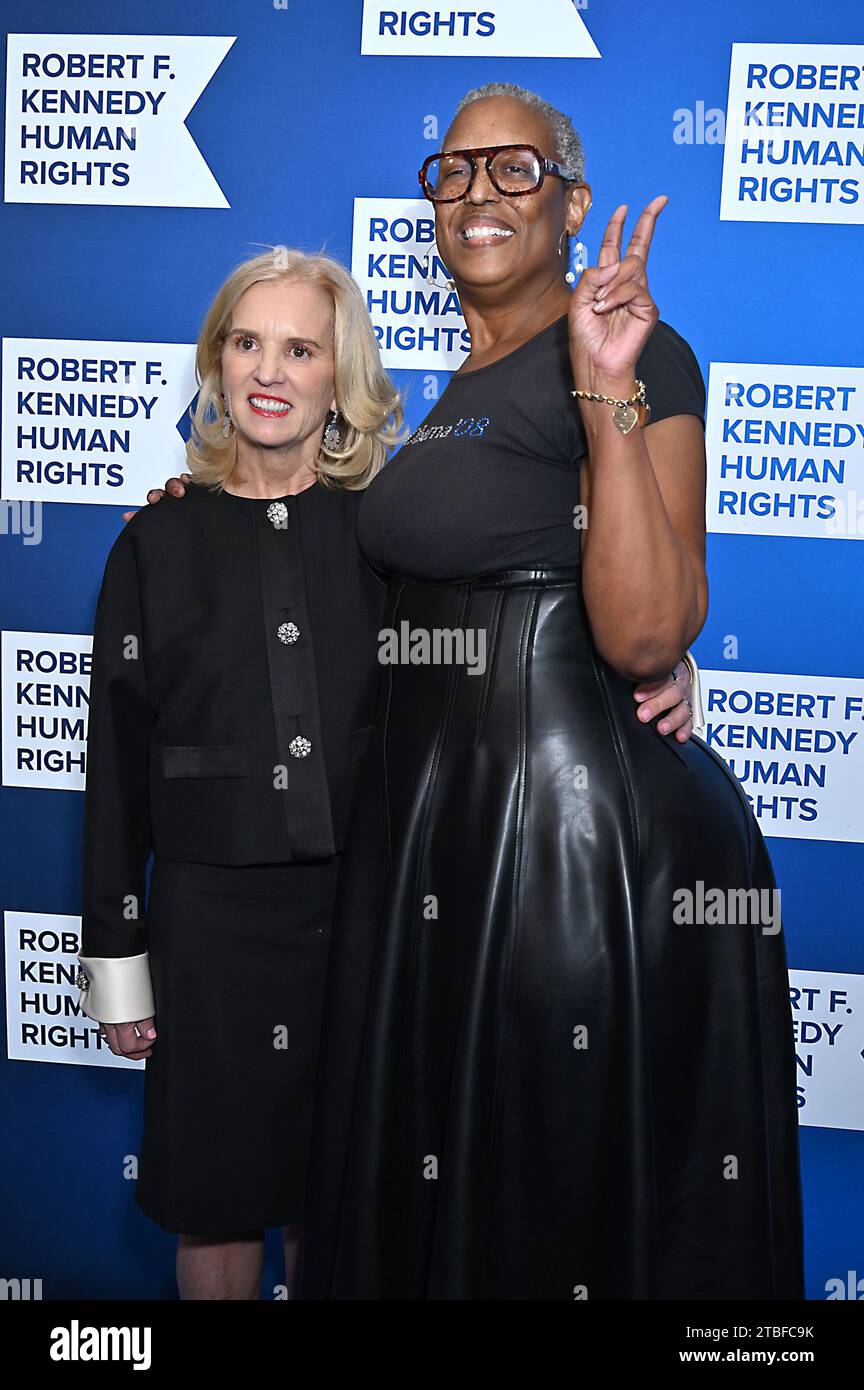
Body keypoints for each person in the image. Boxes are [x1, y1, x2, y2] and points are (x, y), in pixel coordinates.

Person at [295, 84, 805, 1300]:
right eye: (455, 171)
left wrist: (608, 383)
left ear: (572, 203)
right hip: (451, 842)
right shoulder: (458, 392)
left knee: (553, 1198)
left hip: (569, 849)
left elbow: (642, 632)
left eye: (515, 170)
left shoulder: (635, 353)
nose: (478, 193)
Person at [76, 248, 401, 1299]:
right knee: (213, 1206)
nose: (271, 369)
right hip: (208, 933)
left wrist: (659, 654)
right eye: (248, 342)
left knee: (334, 1206)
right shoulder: (155, 543)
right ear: (216, 363)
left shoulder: (392, 541)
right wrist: (119, 959)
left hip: (359, 921)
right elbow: (116, 770)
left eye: (301, 347)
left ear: (336, 372)